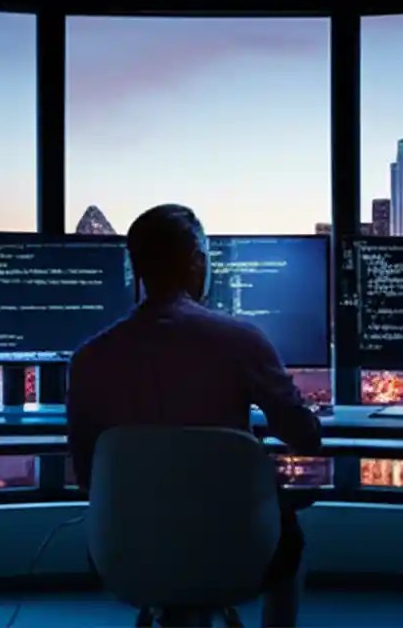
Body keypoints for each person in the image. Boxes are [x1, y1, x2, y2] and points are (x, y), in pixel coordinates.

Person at [67, 203, 323, 628]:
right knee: (290, 538)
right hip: (234, 547)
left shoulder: (88, 360)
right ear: (198, 263)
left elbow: (86, 477)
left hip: (125, 553)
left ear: (136, 268)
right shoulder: (242, 341)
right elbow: (305, 438)